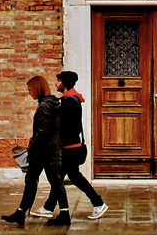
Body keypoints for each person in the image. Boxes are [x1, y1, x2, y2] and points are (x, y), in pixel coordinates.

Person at [31, 70, 107, 220]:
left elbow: (69, 126)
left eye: (58, 81)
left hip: (69, 146)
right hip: (70, 145)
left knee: (72, 177)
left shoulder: (69, 100)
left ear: (64, 83)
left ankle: (98, 203)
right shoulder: (71, 98)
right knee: (61, 177)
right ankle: (48, 207)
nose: (55, 83)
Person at [1, 75, 70, 226]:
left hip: (43, 152)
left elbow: (43, 132)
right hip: (50, 150)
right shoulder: (53, 104)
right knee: (41, 180)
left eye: (30, 89)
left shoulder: (44, 106)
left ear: (37, 89)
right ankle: (21, 212)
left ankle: (63, 214)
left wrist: (31, 146)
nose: (29, 92)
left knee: (44, 181)